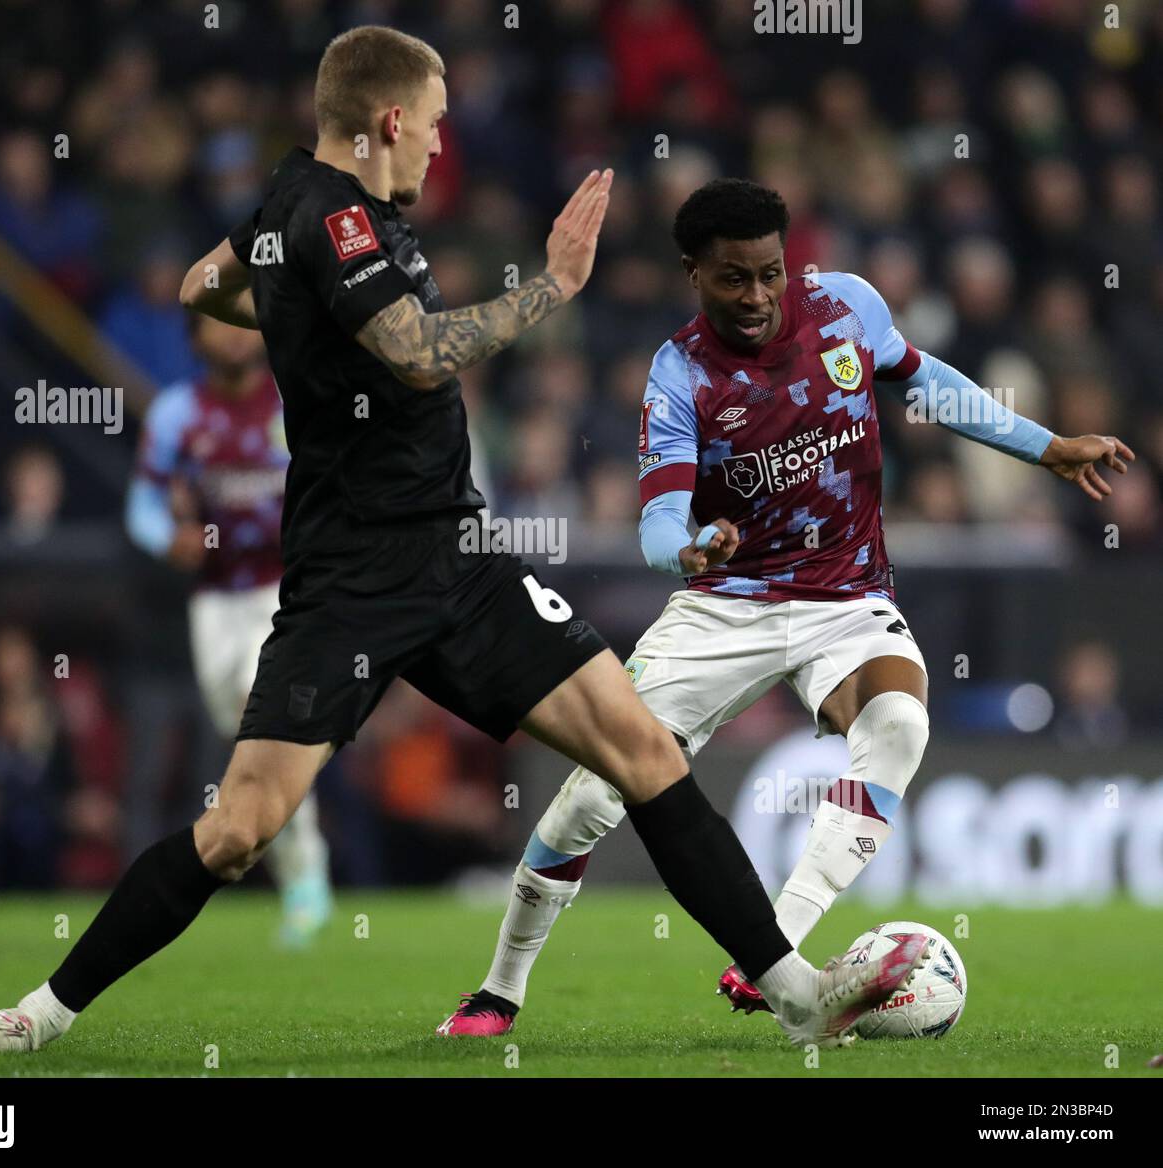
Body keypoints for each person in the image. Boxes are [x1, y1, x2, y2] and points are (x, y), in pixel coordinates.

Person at [0, 28, 927, 1060]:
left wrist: (294, 318)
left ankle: (798, 993)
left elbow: (198, 289)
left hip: (458, 558)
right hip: (352, 579)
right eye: (436, 124)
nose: (441, 146)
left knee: (646, 752)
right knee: (238, 829)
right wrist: (552, 286)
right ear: (390, 120)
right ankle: (32, 1018)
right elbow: (415, 356)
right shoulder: (338, 218)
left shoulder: (283, 203)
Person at [438, 177, 1134, 1036]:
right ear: (693, 272)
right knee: (589, 799)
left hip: (847, 598)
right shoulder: (680, 372)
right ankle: (500, 989)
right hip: (726, 605)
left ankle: (773, 952)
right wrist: (689, 550)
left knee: (901, 725)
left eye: (771, 272)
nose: (759, 296)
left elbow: (925, 381)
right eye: (734, 279)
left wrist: (1047, 447)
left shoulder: (846, 308)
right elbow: (658, 518)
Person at [125, 312, 332, 946]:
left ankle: (306, 884)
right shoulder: (176, 414)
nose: (234, 335)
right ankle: (299, 874)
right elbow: (143, 505)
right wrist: (171, 538)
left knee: (260, 723)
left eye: (242, 323)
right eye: (216, 326)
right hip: (213, 601)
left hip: (283, 590)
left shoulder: (297, 399)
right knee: (243, 741)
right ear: (195, 340)